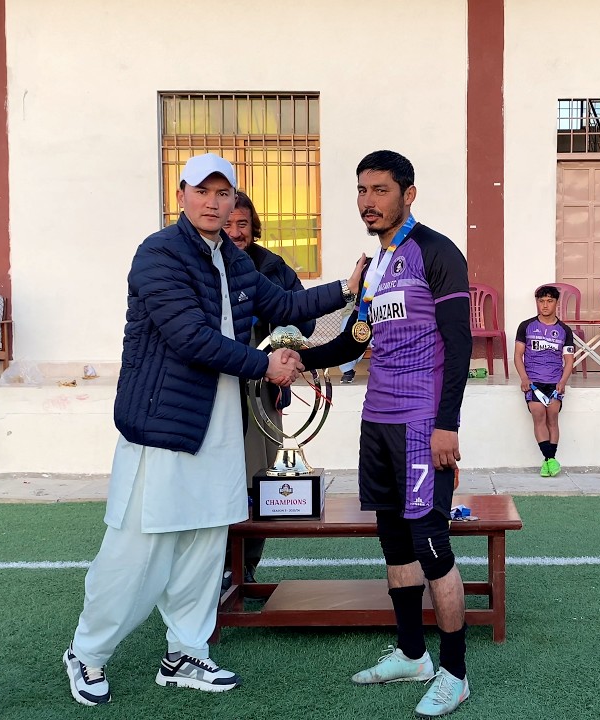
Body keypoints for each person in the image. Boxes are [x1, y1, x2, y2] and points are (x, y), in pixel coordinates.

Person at [63, 153, 364, 706]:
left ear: (232, 201)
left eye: (223, 193)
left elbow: (283, 304)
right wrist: (265, 365)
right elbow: (189, 338)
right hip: (166, 425)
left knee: (206, 544)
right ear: (181, 194)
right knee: (139, 548)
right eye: (203, 191)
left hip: (221, 424)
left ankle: (184, 652)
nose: (213, 201)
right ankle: (87, 653)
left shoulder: (234, 257)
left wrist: (344, 289)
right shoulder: (157, 254)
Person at [297, 150, 473, 717]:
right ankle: (412, 653)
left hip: (424, 422)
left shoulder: (437, 252)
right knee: (394, 540)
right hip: (378, 418)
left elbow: (460, 343)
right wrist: (298, 358)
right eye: (361, 191)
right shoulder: (376, 263)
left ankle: (454, 673)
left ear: (408, 194)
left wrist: (447, 423)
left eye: (379, 190)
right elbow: (355, 340)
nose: (367, 202)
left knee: (431, 545)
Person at [222, 189, 314, 588]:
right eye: (228, 223)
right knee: (218, 478)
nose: (235, 232)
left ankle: (245, 567)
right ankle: (214, 568)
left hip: (263, 391)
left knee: (258, 480)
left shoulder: (273, 268)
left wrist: (284, 339)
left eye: (242, 224)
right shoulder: (201, 265)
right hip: (215, 386)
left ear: (253, 228)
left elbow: (304, 319)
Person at [513, 285, 575, 477]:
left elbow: (569, 360)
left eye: (549, 301)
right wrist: (524, 377)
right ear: (537, 303)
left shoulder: (565, 330)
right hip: (533, 382)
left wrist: (563, 381)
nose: (545, 305)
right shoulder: (526, 326)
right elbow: (517, 355)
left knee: (552, 416)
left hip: (555, 381)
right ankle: (550, 460)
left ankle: (549, 460)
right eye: (541, 301)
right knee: (538, 414)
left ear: (556, 303)